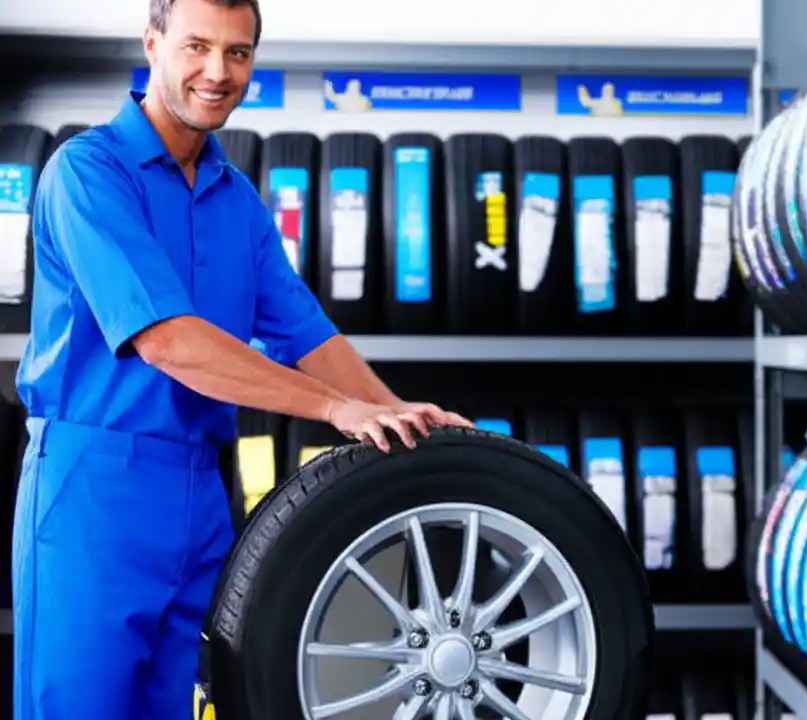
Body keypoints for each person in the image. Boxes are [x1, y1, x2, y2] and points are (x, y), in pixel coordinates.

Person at [10, 0, 471, 718]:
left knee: (190, 707)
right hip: (92, 489)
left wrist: (400, 419)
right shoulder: (87, 173)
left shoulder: (238, 201)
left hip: (203, 492)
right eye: (197, 46)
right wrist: (338, 411)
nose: (217, 72)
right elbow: (167, 340)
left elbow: (308, 336)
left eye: (238, 53)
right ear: (153, 42)